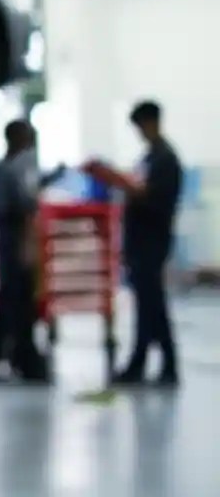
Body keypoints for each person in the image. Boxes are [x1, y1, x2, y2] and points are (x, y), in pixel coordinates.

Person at [87, 101, 183, 386]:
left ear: (152, 122)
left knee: (152, 305)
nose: (139, 132)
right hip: (141, 242)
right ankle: (143, 363)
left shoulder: (165, 159)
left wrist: (113, 178)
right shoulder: (150, 157)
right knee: (147, 306)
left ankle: (159, 365)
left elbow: (146, 194)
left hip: (152, 242)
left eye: (140, 126)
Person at [0, 119, 63, 383]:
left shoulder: (13, 170)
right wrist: (26, 245)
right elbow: (20, 208)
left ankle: (11, 358)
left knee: (14, 304)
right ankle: (15, 358)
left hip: (16, 243)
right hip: (13, 244)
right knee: (14, 303)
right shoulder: (6, 172)